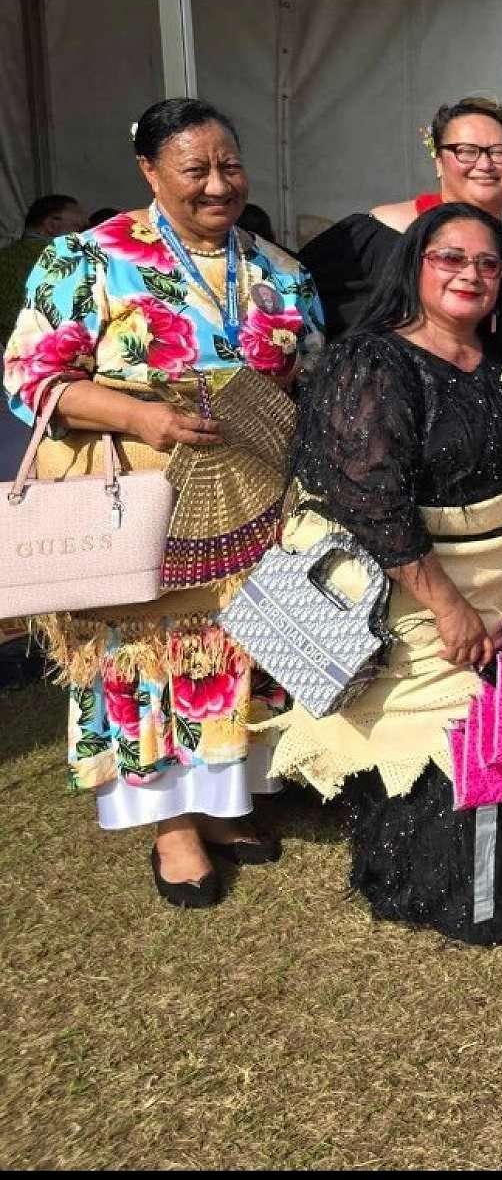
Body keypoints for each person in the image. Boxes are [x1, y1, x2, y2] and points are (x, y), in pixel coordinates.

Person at [2, 99, 325, 907]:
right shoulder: (87, 259)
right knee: (143, 649)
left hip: (249, 496)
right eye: (195, 170)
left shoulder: (278, 269)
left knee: (230, 645)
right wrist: (137, 414)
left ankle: (222, 801)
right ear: (148, 171)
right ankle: (170, 823)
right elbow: (29, 376)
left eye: (230, 166)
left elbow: (313, 369)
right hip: (138, 491)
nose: (219, 185)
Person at [260, 203, 502, 945]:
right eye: (450, 258)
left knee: (490, 760)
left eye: (488, 263)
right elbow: (375, 503)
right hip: (407, 595)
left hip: (499, 587)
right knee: (419, 755)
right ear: (416, 266)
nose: (471, 274)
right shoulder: (374, 363)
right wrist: (447, 606)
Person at [299, 96, 502, 519]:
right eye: (466, 151)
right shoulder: (382, 235)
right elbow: (305, 314)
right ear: (438, 160)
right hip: (415, 460)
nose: (484, 163)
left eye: (499, 151)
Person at [0, 194, 86, 338]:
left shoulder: (4, 256)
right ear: (52, 225)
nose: (86, 236)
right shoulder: (68, 264)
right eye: (79, 228)